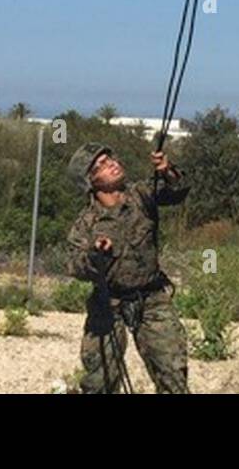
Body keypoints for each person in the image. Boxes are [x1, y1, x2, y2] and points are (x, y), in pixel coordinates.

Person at [65, 142, 190, 394]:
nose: (111, 164)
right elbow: (74, 264)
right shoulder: (86, 222)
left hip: (151, 298)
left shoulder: (141, 195)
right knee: (100, 380)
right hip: (108, 303)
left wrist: (167, 170)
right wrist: (95, 255)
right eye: (100, 165)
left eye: (109, 158)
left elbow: (175, 191)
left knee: (173, 376)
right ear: (90, 181)